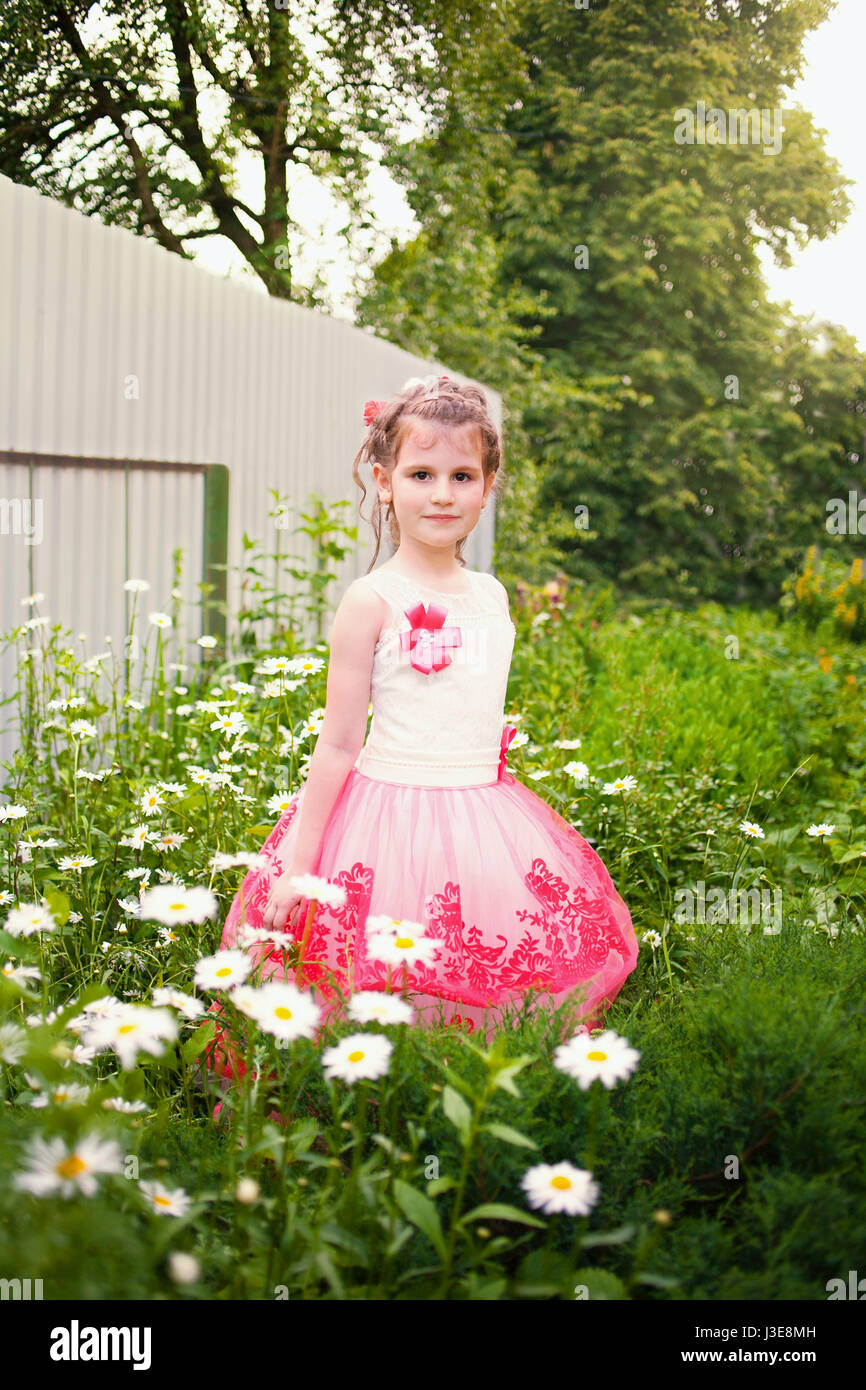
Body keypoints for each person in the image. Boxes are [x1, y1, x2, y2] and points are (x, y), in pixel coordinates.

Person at [206, 374, 638, 1078]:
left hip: (482, 819)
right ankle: (363, 1108)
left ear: (489, 484)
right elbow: (339, 741)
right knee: (366, 979)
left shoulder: (493, 596)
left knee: (476, 968)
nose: (442, 493)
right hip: (381, 818)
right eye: (421, 473)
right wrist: (297, 866)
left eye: (462, 475)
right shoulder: (370, 600)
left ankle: (451, 1097)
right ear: (383, 481)